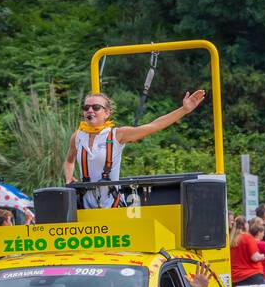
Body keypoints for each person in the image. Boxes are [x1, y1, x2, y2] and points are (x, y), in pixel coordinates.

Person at [63, 88, 207, 208]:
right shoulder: (78, 136)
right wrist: (69, 178)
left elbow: (153, 126)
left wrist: (183, 110)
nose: (90, 111)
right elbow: (69, 161)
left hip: (111, 205)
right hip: (85, 206)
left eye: (96, 107)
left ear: (107, 113)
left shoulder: (116, 135)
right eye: (86, 107)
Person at [229, 219, 265, 286]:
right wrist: (262, 256)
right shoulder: (247, 237)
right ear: (245, 225)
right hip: (252, 275)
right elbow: (255, 257)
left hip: (235, 277)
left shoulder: (231, 240)